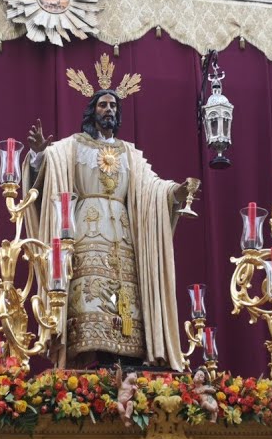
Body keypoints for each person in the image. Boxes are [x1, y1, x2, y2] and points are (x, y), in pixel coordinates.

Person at [26, 58, 198, 371]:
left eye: (114, 107)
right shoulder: (72, 147)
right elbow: (46, 172)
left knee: (127, 297)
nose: (110, 111)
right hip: (84, 232)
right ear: (92, 110)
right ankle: (91, 352)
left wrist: (175, 193)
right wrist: (38, 154)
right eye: (104, 105)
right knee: (89, 293)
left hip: (123, 235)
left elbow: (151, 188)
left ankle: (128, 356)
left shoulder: (129, 153)